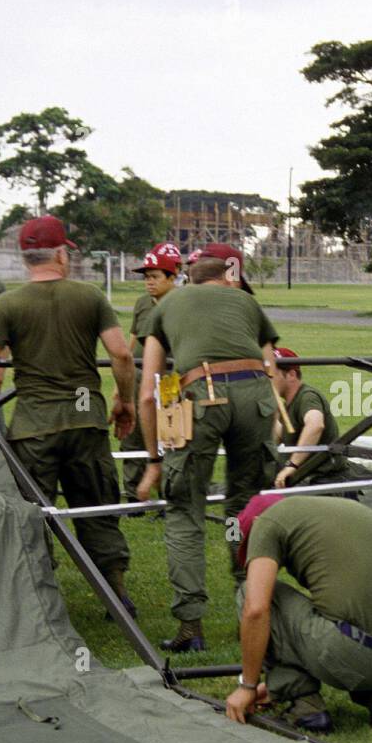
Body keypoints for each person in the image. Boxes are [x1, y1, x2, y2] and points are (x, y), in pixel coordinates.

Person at [0, 215, 139, 619]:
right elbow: (122, 354)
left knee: (36, 514)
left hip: (34, 425)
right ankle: (117, 595)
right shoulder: (89, 296)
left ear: (25, 259)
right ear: (60, 253)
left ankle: (41, 598)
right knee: (96, 507)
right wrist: (125, 400)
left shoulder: (9, 303)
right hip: (86, 418)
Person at [137, 243, 279, 652]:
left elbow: (149, 393)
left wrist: (152, 459)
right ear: (228, 277)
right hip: (255, 399)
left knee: (186, 510)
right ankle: (247, 611)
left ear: (188, 277)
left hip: (200, 396)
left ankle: (190, 625)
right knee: (244, 507)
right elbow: (271, 369)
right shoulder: (246, 303)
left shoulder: (166, 307)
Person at [225, 495, 372, 732]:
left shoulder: (267, 521)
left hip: (360, 660)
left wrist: (247, 686)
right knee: (364, 619)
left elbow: (256, 611)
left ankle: (306, 709)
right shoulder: (345, 511)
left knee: (250, 593)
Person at [120, 242, 181, 503]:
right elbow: (132, 338)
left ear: (173, 276)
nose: (149, 283)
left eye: (155, 277)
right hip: (138, 373)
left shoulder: (183, 304)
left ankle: (169, 495)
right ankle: (134, 497)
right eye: (146, 277)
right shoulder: (143, 303)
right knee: (133, 434)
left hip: (169, 377)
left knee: (170, 435)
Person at [270, 345, 350, 487]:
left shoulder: (307, 397)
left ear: (291, 375)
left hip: (320, 478)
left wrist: (292, 465)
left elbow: (315, 425)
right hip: (307, 476)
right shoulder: (288, 403)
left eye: (271, 375)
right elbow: (277, 438)